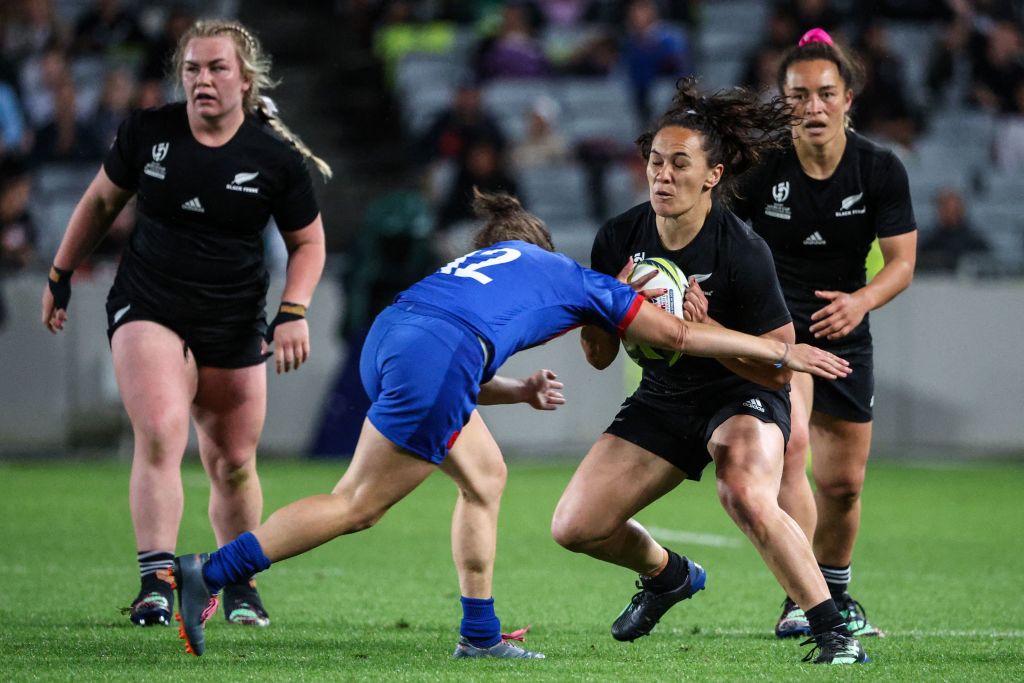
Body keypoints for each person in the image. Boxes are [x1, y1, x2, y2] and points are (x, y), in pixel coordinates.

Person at [171, 189, 851, 658]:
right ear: (543, 244)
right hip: (439, 354)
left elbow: (445, 363)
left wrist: (519, 390)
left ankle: (480, 630)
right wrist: (777, 350)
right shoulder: (569, 273)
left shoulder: (476, 264)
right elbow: (675, 334)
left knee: (483, 475)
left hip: (394, 334)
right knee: (356, 503)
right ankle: (213, 569)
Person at [549, 77, 870, 665]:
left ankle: (834, 631)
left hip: (741, 391)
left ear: (712, 176)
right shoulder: (619, 238)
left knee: (743, 491)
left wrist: (708, 334)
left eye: (679, 164)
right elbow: (597, 356)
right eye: (653, 162)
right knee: (575, 526)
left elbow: (776, 371)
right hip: (665, 396)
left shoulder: (742, 250)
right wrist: (607, 309)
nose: (662, 176)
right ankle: (667, 575)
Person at [40, 19, 332, 631]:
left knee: (232, 462)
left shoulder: (273, 158)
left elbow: (308, 244)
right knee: (161, 429)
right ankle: (157, 580)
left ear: (245, 80)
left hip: (233, 316)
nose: (203, 79)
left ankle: (238, 583)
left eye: (217, 68)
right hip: (150, 302)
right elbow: (98, 202)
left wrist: (293, 311)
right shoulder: (148, 132)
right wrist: (61, 272)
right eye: (193, 69)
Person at [732, 28, 917, 640]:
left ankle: (838, 595)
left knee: (843, 485)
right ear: (783, 101)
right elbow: (725, 242)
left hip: (844, 328)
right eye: (798, 95)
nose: (812, 106)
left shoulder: (879, 168)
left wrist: (861, 302)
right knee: (792, 449)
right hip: (777, 330)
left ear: (848, 100)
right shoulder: (760, 170)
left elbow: (901, 264)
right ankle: (799, 601)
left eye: (825, 93)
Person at [917, 188, 989, 273]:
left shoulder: (975, 242)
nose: (949, 211)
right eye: (944, 206)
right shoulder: (929, 242)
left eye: (953, 207)